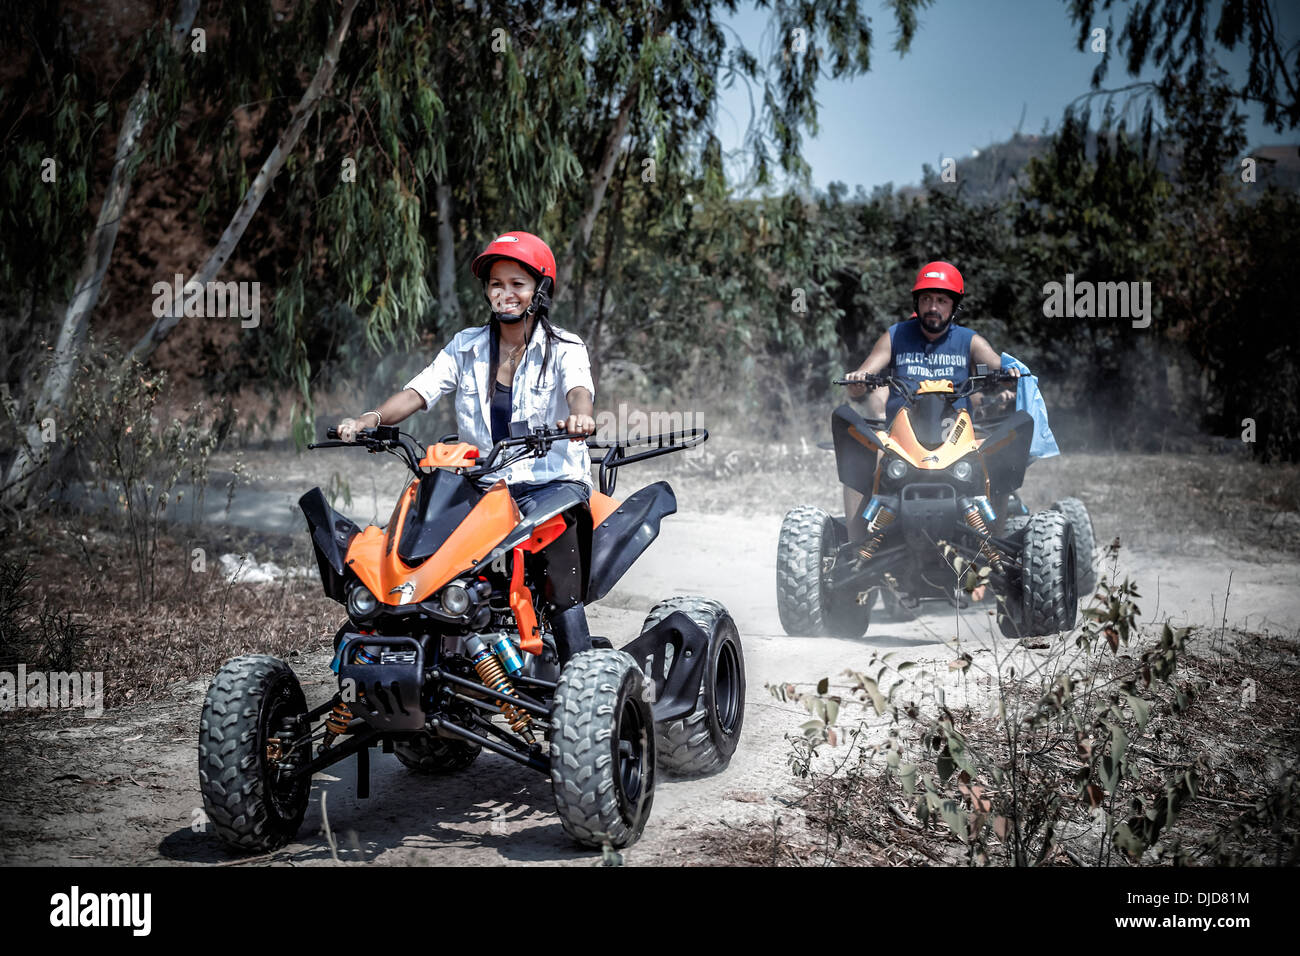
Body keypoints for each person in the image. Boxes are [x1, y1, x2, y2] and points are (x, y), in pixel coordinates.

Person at [335, 231, 598, 662]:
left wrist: (581, 416)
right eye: (497, 284)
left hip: (550, 483)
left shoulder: (564, 347)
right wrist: (371, 419)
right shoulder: (467, 346)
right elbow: (419, 392)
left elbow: (579, 390)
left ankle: (583, 676)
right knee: (426, 547)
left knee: (558, 581)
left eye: (518, 284)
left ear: (540, 289)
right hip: (485, 483)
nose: (505, 294)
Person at [841, 260, 1018, 541]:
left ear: (954, 305)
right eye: (926, 299)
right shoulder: (896, 335)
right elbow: (863, 377)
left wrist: (1010, 375)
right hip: (900, 441)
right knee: (859, 452)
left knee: (999, 453)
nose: (933, 307)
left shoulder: (969, 341)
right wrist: (858, 381)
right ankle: (854, 546)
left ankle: (993, 547)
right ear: (917, 301)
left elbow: (1001, 367)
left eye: (941, 300)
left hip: (957, 440)